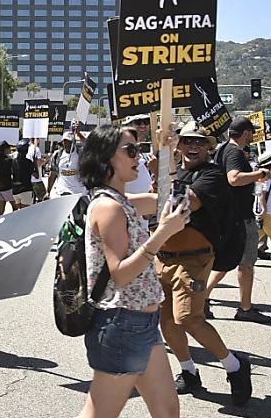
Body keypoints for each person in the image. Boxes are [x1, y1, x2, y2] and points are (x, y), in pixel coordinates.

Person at [78, 123, 188, 418]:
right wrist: (162, 235)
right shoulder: (108, 208)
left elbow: (172, 202)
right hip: (122, 322)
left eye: (138, 149)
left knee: (167, 411)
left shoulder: (123, 202)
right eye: (130, 150)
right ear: (106, 158)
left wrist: (169, 157)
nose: (137, 156)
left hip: (143, 323)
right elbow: (121, 274)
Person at [157, 122, 252, 404]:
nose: (193, 147)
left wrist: (164, 175)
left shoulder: (211, 174)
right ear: (179, 145)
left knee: (188, 318)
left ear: (209, 147)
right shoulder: (173, 172)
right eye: (187, 141)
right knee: (166, 321)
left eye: (199, 142)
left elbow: (184, 204)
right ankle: (188, 371)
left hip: (194, 259)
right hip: (164, 259)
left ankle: (234, 366)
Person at [207, 117, 271, 323]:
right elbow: (233, 178)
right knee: (246, 264)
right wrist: (259, 173)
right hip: (240, 217)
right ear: (245, 133)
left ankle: (202, 298)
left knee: (226, 262)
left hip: (229, 215)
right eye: (251, 133)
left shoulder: (224, 149)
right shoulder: (234, 152)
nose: (252, 136)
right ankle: (245, 308)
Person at [49, 129, 88, 198]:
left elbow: (89, 146)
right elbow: (52, 174)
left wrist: (78, 133)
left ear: (74, 142)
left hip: (79, 193)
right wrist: (48, 191)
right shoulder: (57, 155)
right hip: (63, 192)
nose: (67, 144)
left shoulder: (81, 153)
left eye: (70, 142)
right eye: (65, 141)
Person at [124, 114, 155, 195]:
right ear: (129, 125)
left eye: (146, 122)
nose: (143, 125)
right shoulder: (120, 150)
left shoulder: (150, 150)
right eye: (138, 122)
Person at [0, 141, 15, 215]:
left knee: (1, 211)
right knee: (15, 208)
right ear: (5, 149)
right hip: (7, 187)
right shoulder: (8, 161)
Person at [12, 139, 35, 210]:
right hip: (26, 189)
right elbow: (35, 175)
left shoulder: (13, 162)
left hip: (15, 190)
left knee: (18, 213)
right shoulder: (28, 162)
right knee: (25, 213)